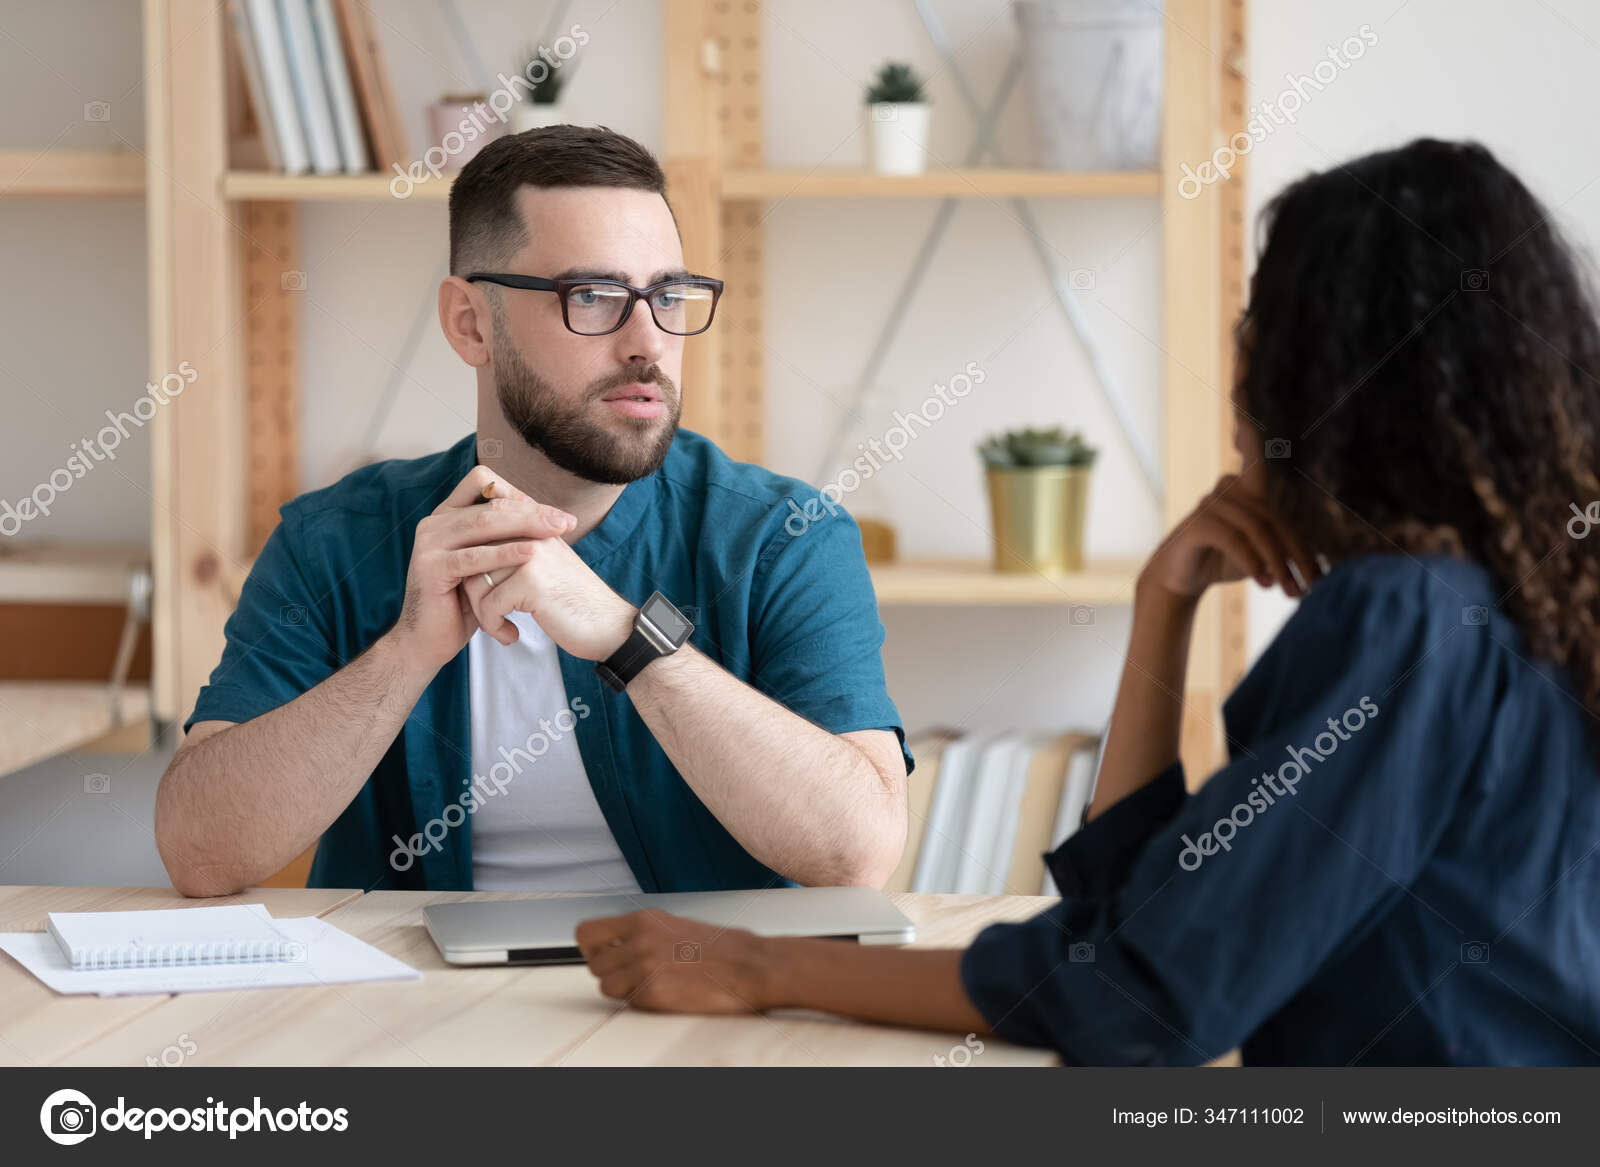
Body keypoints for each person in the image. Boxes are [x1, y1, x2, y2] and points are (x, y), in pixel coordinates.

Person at [575, 139, 1600, 1065]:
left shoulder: (1407, 619)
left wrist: (760, 970)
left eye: (1259, 325)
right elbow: (1138, 913)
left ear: (1313, 373)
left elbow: (1144, 1000)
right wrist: (1164, 602)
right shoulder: (1526, 603)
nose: (1238, 360)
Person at [155, 126, 910, 897]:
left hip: (691, 1001)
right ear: (470, 323)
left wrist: (626, 637)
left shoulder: (783, 537)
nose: (647, 341)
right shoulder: (333, 540)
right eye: (593, 296)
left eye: (668, 296)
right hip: (406, 1007)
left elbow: (855, 853)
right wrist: (407, 654)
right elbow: (202, 852)